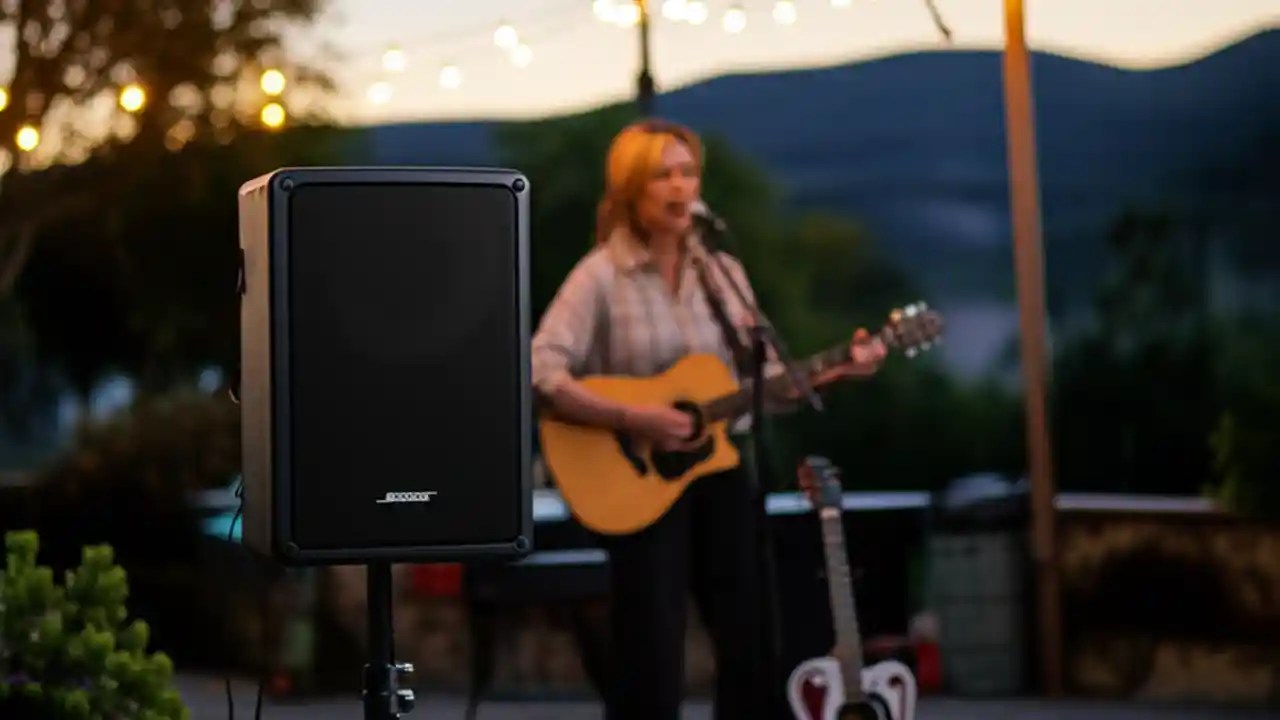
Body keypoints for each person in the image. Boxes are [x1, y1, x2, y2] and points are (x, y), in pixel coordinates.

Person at [529, 118, 887, 719]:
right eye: (661, 174)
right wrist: (635, 416)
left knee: (751, 635)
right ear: (630, 191)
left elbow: (765, 388)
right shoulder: (600, 276)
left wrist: (839, 369)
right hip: (633, 481)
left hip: (718, 471)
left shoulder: (722, 275)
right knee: (651, 649)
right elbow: (542, 371)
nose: (678, 186)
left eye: (687, 172)